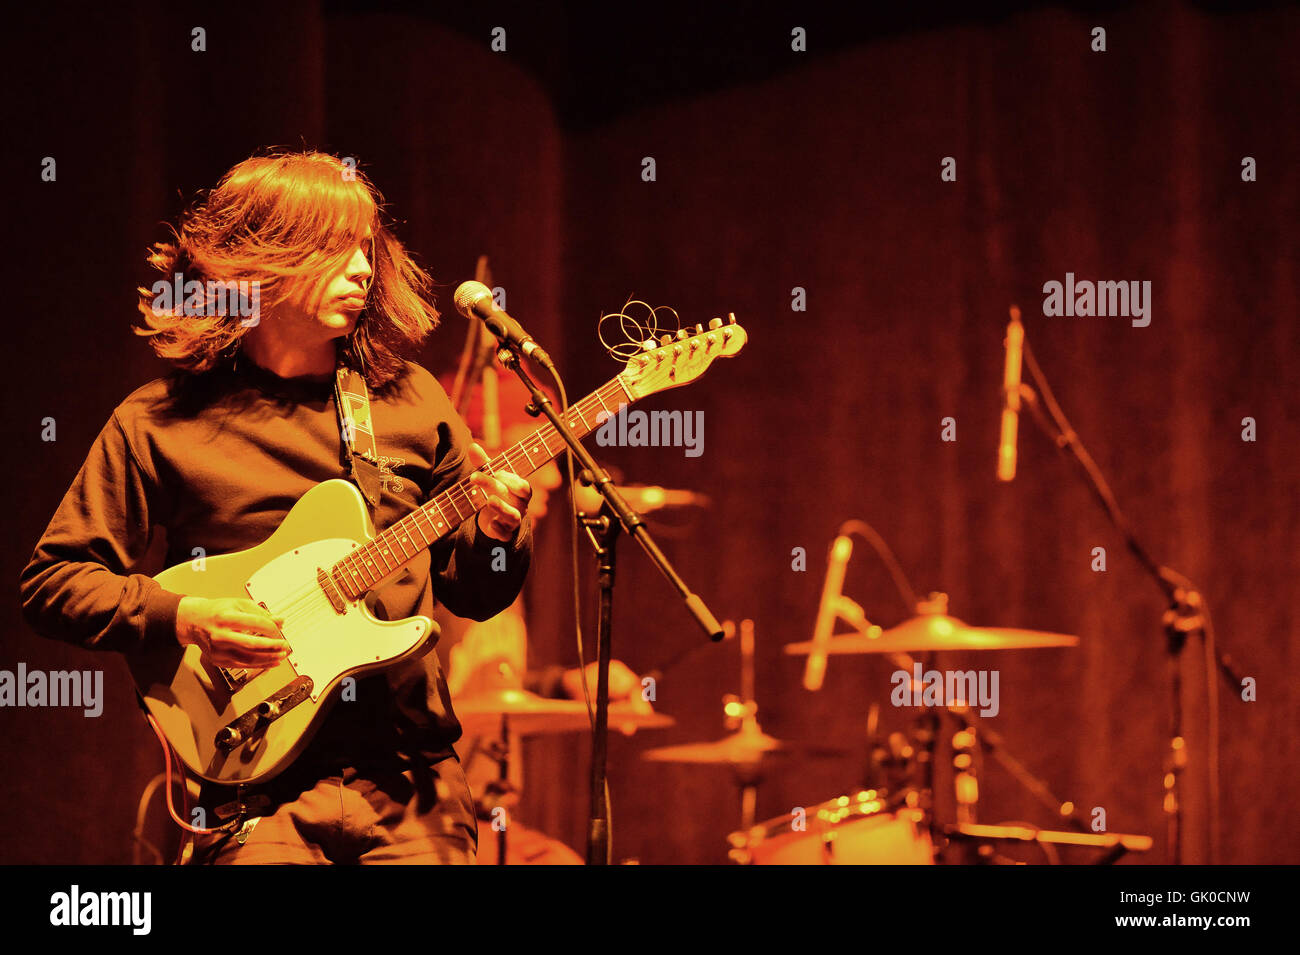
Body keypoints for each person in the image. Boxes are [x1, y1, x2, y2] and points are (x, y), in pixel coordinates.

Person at [19, 149, 535, 864]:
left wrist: (501, 532)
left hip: (410, 779)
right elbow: (53, 581)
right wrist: (185, 616)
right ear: (260, 259)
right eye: (337, 248)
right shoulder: (162, 421)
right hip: (253, 784)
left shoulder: (410, 400)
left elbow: (473, 592)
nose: (363, 268)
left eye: (368, 248)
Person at [433, 371, 650, 864]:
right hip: (423, 825)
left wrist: (566, 684)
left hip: (484, 821)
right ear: (482, 459)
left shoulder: (500, 560)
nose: (554, 477)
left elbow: (484, 685)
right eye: (541, 457)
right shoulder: (435, 563)